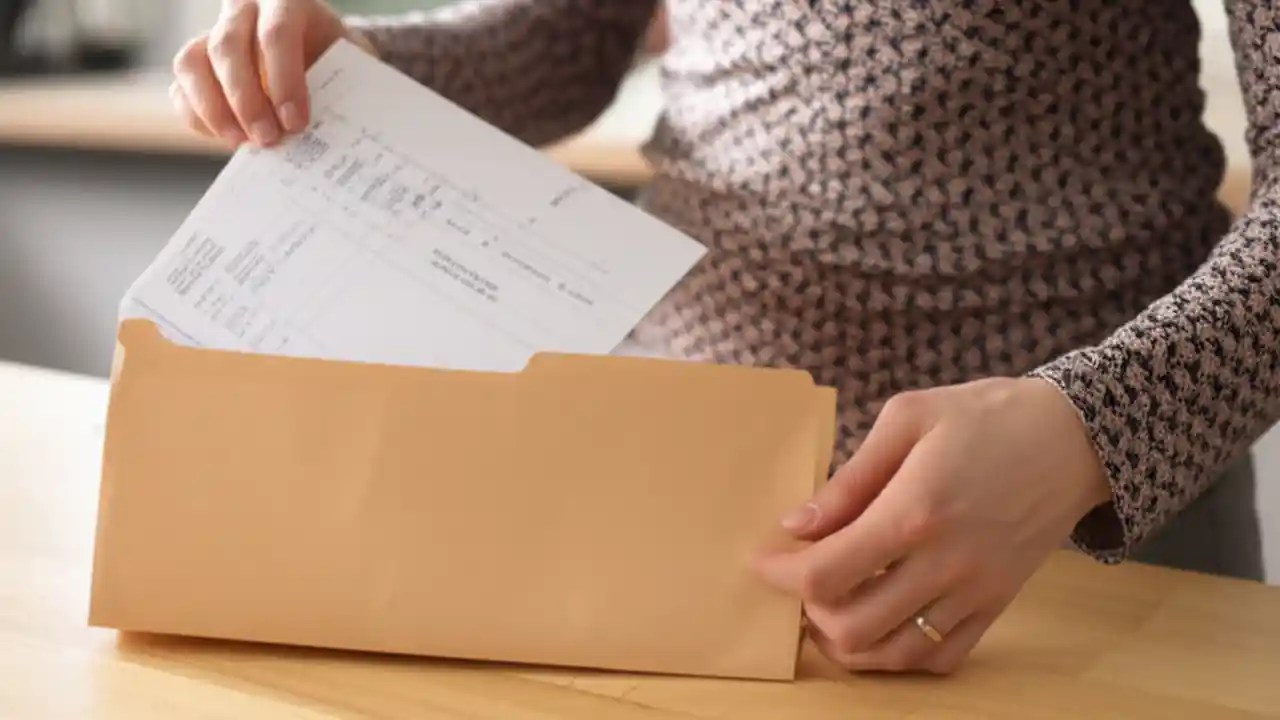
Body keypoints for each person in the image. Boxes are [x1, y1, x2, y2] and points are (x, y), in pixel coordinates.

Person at [171, 0, 1278, 675]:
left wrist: (1089, 427)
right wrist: (363, 62)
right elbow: (567, 33)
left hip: (1073, 521)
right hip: (688, 501)